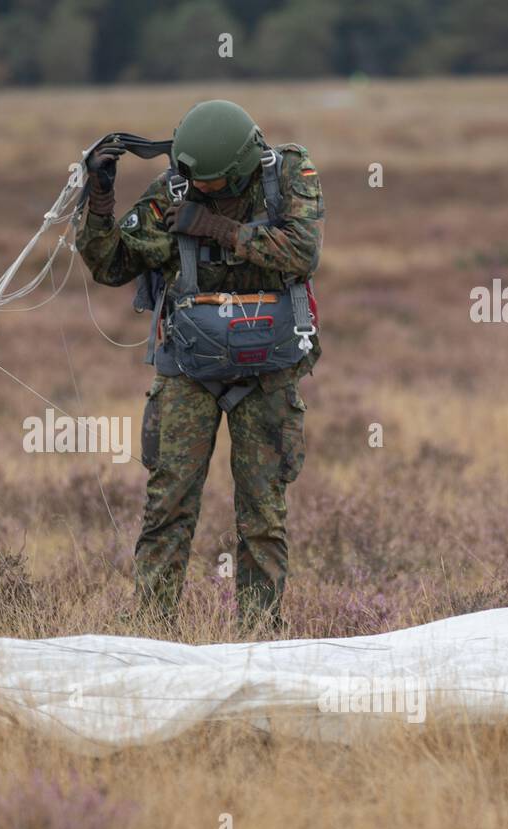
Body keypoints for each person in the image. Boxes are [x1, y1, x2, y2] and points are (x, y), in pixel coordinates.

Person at [76, 99, 325, 631]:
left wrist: (215, 227)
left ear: (237, 169)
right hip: (188, 371)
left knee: (262, 513)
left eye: (209, 182)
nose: (197, 187)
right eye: (192, 179)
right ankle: (151, 634)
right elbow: (111, 263)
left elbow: (302, 253)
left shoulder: (287, 175)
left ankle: (258, 637)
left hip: (269, 372)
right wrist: (99, 199)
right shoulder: (175, 189)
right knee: (168, 507)